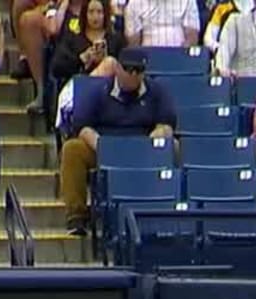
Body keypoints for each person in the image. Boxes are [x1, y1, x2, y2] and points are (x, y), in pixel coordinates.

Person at [58, 48, 176, 234]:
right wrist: (102, 146)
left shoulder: (156, 92)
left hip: (142, 148)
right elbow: (82, 126)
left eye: (138, 71)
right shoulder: (98, 91)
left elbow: (167, 124)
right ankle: (76, 216)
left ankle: (168, 210)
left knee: (174, 148)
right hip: (106, 146)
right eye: (128, 70)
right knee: (72, 149)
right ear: (118, 69)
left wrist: (159, 134)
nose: (133, 75)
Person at [50, 0, 124, 88]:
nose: (95, 17)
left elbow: (124, 68)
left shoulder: (115, 39)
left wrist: (105, 58)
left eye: (99, 12)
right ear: (85, 13)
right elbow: (56, 68)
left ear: (105, 14)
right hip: (78, 88)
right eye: (91, 12)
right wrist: (81, 59)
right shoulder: (73, 39)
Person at [124, 0, 201, 48]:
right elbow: (134, 44)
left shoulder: (188, 1)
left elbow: (192, 39)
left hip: (180, 56)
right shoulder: (134, 3)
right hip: (147, 60)